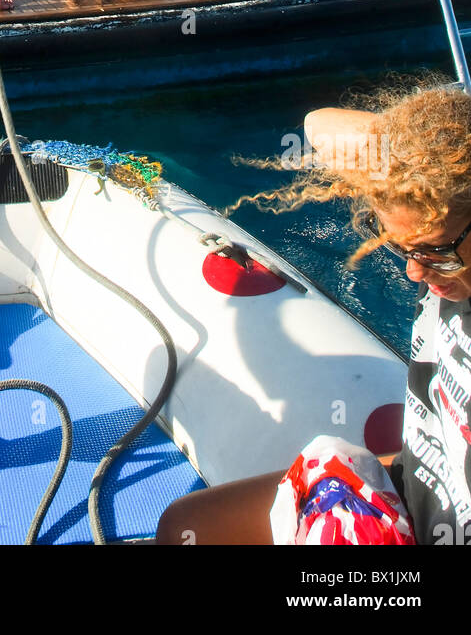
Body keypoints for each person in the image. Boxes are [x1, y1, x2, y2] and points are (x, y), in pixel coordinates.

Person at [156, 84, 471, 546]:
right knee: (187, 526)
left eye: (436, 253)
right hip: (414, 487)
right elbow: (319, 127)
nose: (414, 272)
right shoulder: (448, 246)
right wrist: (420, 153)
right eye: (400, 246)